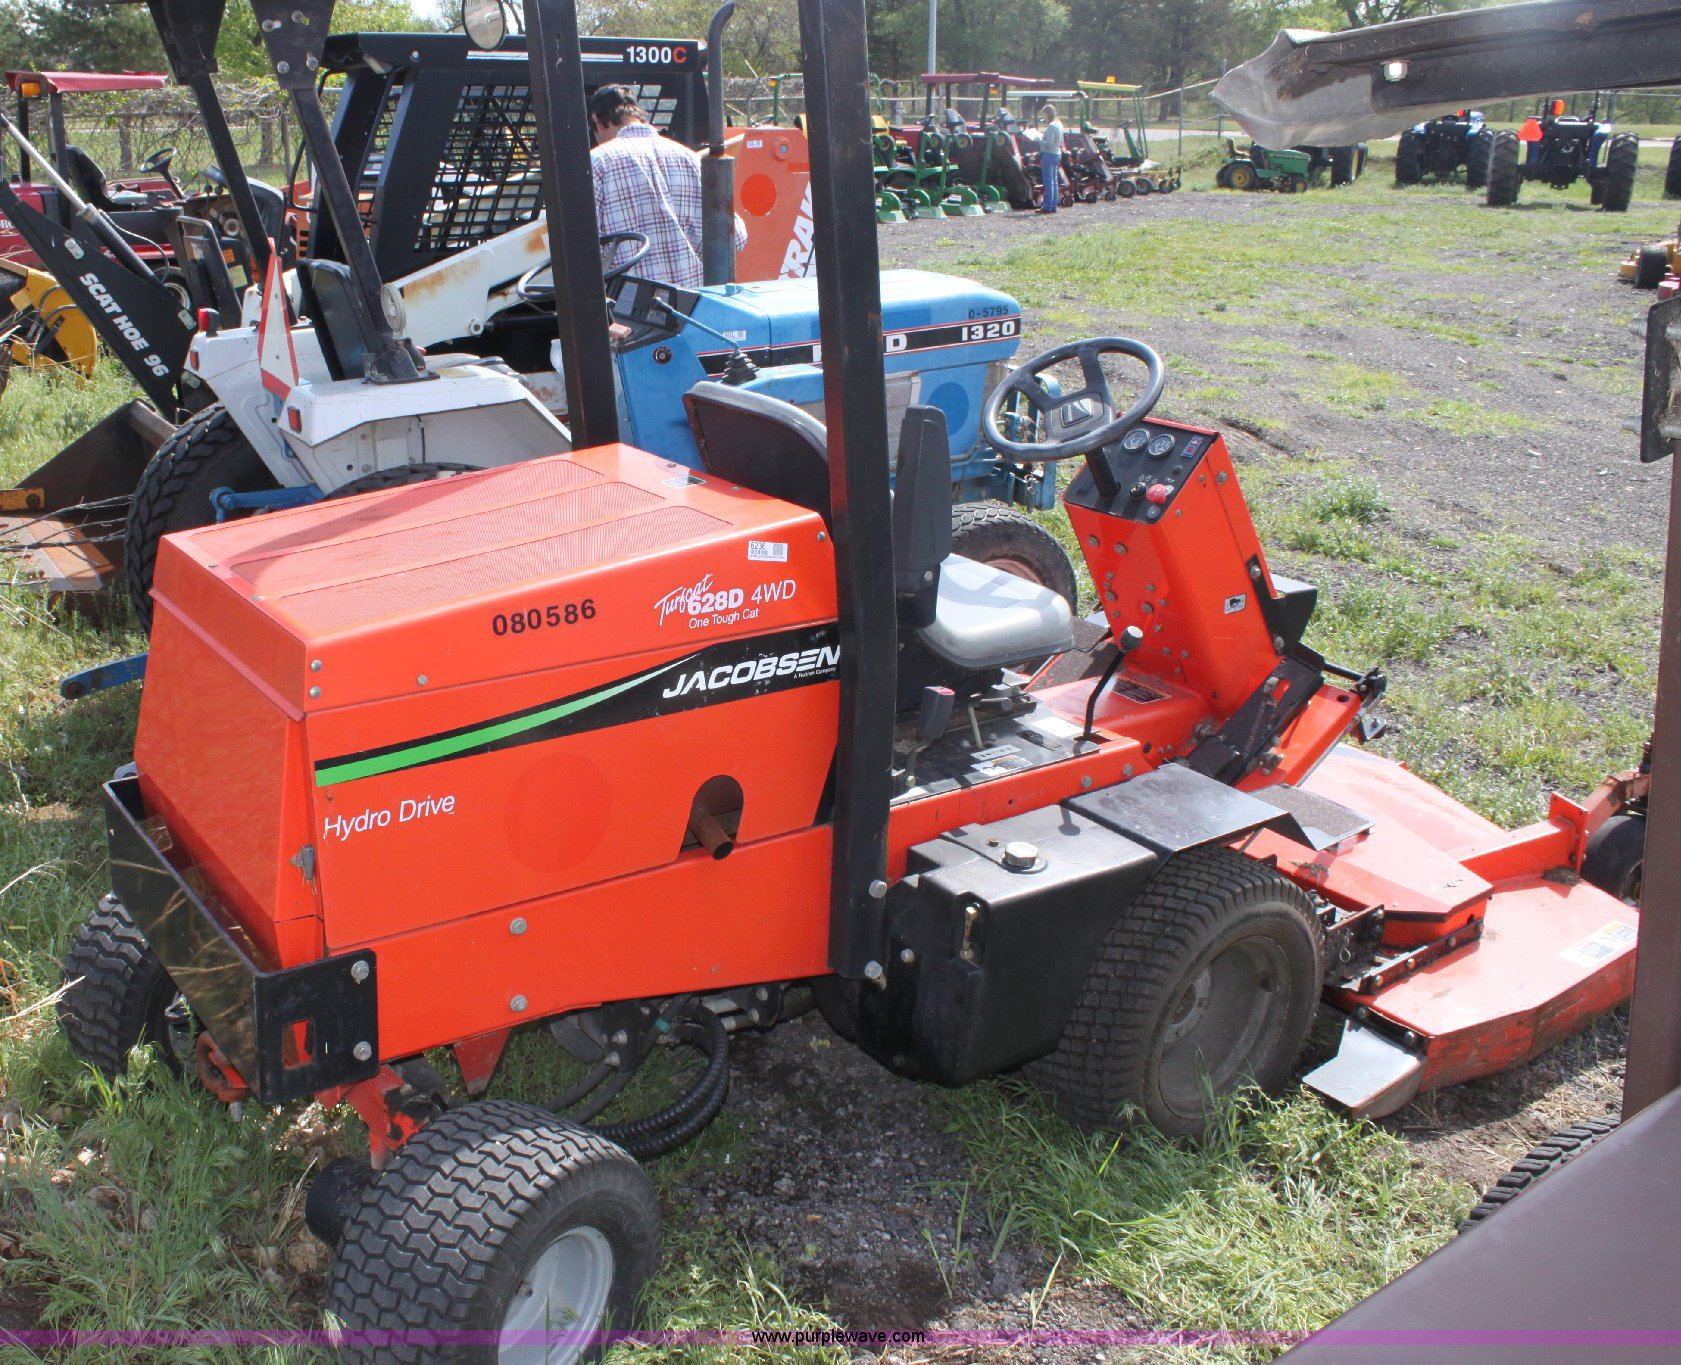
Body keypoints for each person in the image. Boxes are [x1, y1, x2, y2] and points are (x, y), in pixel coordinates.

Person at [589, 85, 746, 290]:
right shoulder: (689, 157)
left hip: (630, 312)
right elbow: (736, 240)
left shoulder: (596, 164)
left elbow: (583, 254)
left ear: (597, 121)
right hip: (693, 308)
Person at [1037, 103, 1064, 215]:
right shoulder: (1059, 124)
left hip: (1049, 154)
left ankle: (1047, 206)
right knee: (1054, 181)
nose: (1043, 117)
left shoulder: (1052, 126)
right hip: (1057, 154)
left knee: (1048, 182)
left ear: (1048, 114)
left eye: (1044, 115)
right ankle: (1053, 205)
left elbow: (1049, 143)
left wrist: (1038, 140)